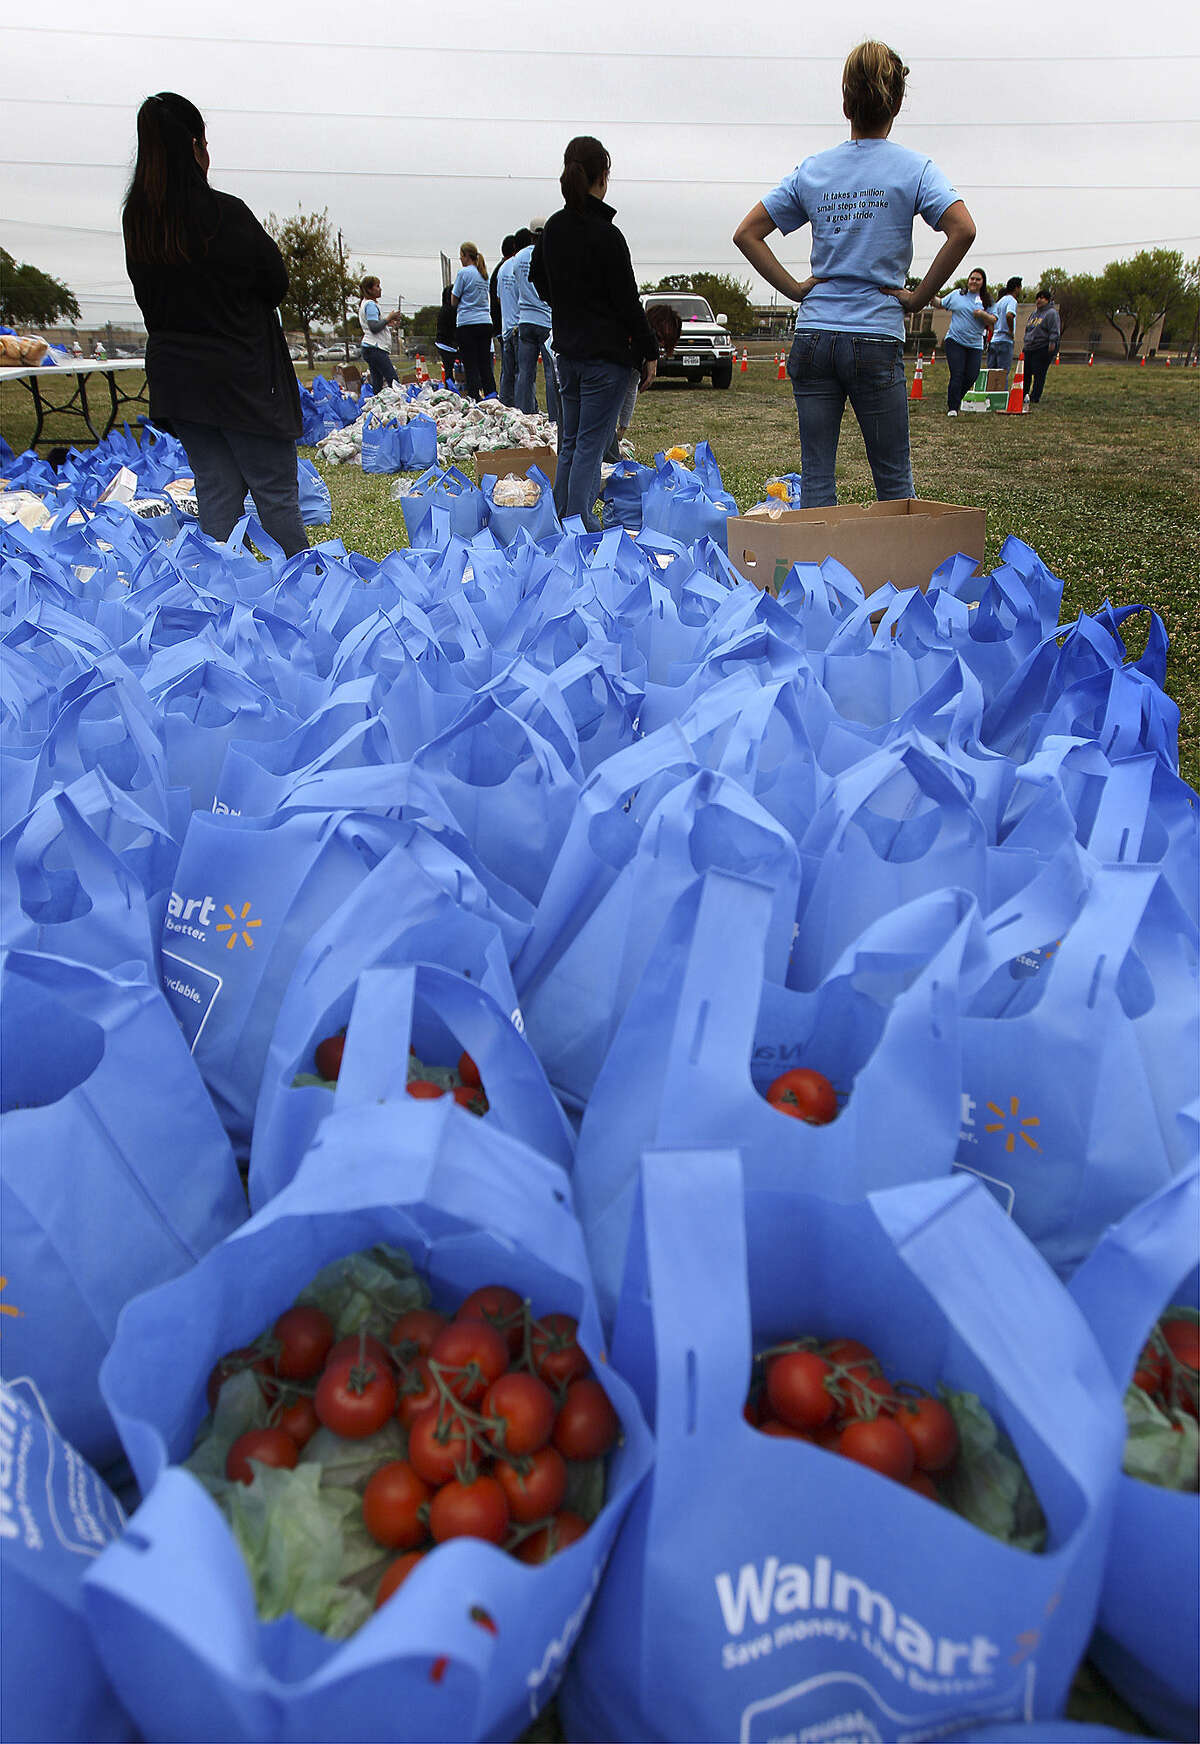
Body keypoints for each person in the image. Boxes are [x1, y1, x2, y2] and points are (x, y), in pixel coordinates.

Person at [733, 40, 977, 507]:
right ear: (898, 104)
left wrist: (797, 289)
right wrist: (918, 297)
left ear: (845, 102)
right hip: (875, 335)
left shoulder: (814, 170)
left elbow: (747, 233)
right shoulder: (915, 169)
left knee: (817, 478)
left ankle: (819, 580)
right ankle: (894, 576)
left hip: (815, 335)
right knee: (892, 481)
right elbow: (962, 229)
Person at [122, 91, 306, 555]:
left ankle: (221, 600)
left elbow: (150, 300)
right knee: (276, 498)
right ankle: (311, 596)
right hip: (242, 377)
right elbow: (274, 283)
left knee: (217, 494)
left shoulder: (139, 221)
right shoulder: (225, 214)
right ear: (196, 147)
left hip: (182, 381)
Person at [531, 136, 657, 529]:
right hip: (606, 358)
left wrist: (566, 306)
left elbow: (539, 279)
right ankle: (579, 525)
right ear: (603, 177)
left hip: (566, 352)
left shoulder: (554, 228)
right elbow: (627, 301)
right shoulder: (607, 235)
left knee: (570, 441)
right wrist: (649, 349)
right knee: (589, 444)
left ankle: (560, 520)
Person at [604, 302, 682, 462]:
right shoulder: (626, 342)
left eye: (664, 344)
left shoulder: (638, 354)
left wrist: (622, 427)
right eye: (659, 339)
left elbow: (631, 389)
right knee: (598, 451)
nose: (659, 345)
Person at [931, 267, 996, 415]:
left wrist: (982, 314)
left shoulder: (987, 300)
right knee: (957, 373)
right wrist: (930, 295)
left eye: (978, 279)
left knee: (972, 375)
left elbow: (994, 320)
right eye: (972, 278)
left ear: (983, 282)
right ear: (968, 280)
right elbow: (940, 303)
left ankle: (956, 398)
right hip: (955, 341)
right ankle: (953, 407)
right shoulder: (957, 295)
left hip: (975, 344)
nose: (974, 281)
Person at [513, 224, 560, 426]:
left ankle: (523, 417)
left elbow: (516, 287)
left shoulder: (519, 257)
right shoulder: (550, 253)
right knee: (550, 372)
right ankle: (554, 418)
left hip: (525, 319)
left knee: (525, 372)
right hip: (546, 320)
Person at [450, 242, 495, 400]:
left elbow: (454, 300)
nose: (460, 259)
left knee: (471, 364)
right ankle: (491, 396)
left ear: (466, 255)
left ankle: (474, 397)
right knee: (485, 364)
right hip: (485, 322)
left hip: (467, 323)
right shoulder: (483, 274)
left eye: (461, 255)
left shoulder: (464, 273)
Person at [496, 229, 526, 404]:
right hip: (518, 326)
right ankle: (524, 409)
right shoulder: (519, 264)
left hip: (506, 327)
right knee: (522, 373)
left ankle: (505, 406)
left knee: (507, 374)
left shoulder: (503, 268)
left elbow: (499, 298)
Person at [357, 275, 400, 392]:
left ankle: (377, 405)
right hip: (375, 348)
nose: (380, 289)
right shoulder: (370, 305)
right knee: (393, 380)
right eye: (377, 286)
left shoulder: (366, 303)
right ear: (369, 289)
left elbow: (375, 324)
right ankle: (400, 405)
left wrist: (387, 323)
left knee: (377, 382)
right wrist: (388, 318)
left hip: (370, 348)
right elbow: (374, 327)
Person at [1022, 287, 1061, 406]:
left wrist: (1052, 343)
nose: (1039, 300)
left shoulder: (1051, 313)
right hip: (1029, 347)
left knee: (1039, 374)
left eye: (1042, 298)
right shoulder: (1034, 314)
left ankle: (1035, 397)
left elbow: (1054, 330)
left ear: (1048, 300)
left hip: (1042, 347)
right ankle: (1023, 394)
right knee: (1026, 373)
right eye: (1037, 298)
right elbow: (1028, 329)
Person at [988, 275, 1021, 378]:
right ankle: (1001, 394)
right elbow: (1009, 315)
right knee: (1002, 376)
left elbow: (990, 320)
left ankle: (990, 394)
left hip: (994, 341)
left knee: (992, 375)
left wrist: (993, 332)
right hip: (1005, 341)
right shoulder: (1012, 300)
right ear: (1016, 288)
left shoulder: (998, 303)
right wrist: (1010, 331)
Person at [434, 284, 459, 386]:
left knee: (448, 369)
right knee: (455, 369)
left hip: (441, 343)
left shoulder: (443, 309)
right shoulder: (453, 311)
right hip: (449, 345)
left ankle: (449, 386)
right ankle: (454, 387)